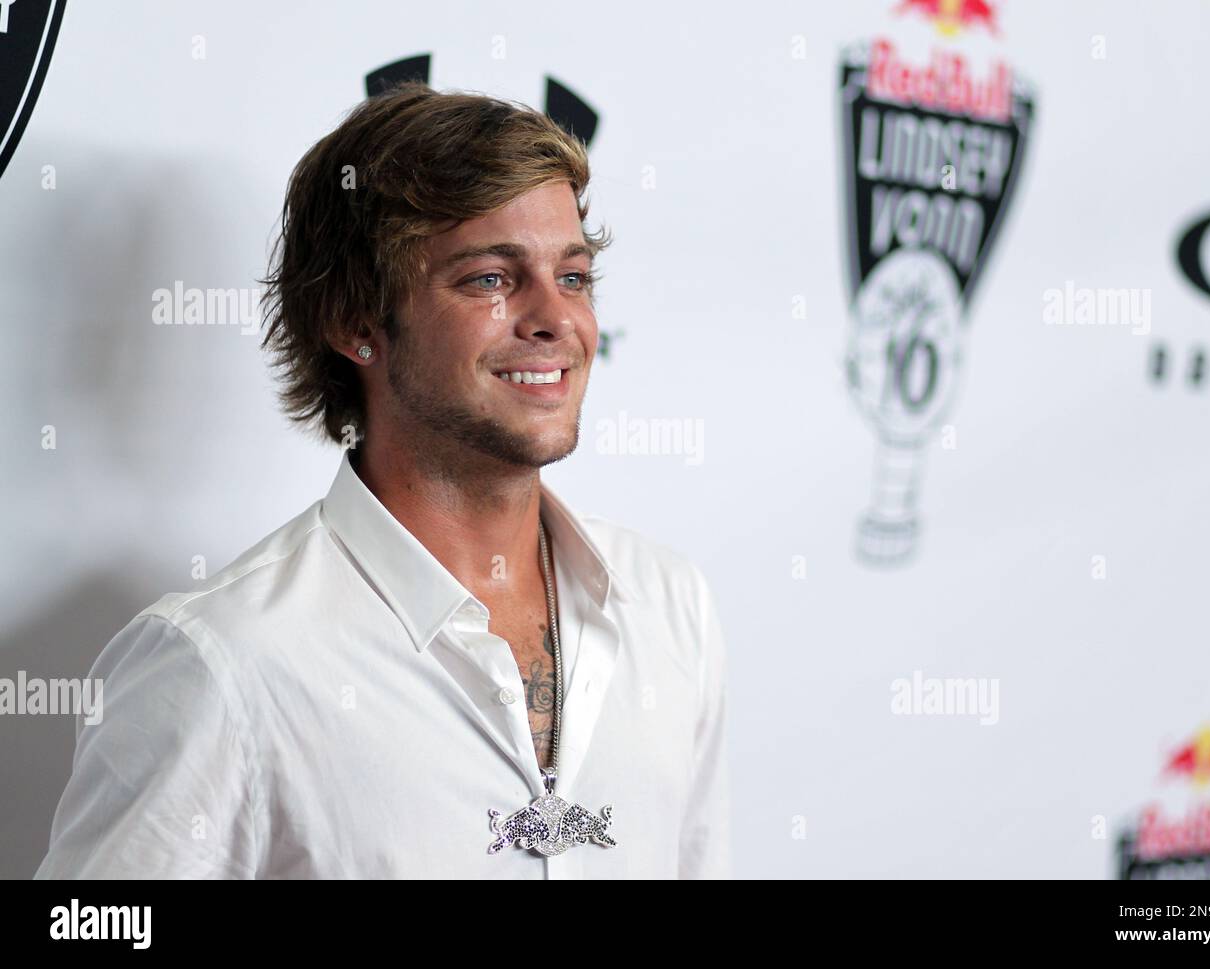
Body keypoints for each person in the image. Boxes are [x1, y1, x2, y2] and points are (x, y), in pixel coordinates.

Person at [35, 84, 731, 879]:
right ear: (355, 322)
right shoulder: (221, 664)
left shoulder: (669, 607)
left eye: (572, 276)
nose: (556, 319)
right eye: (491, 279)